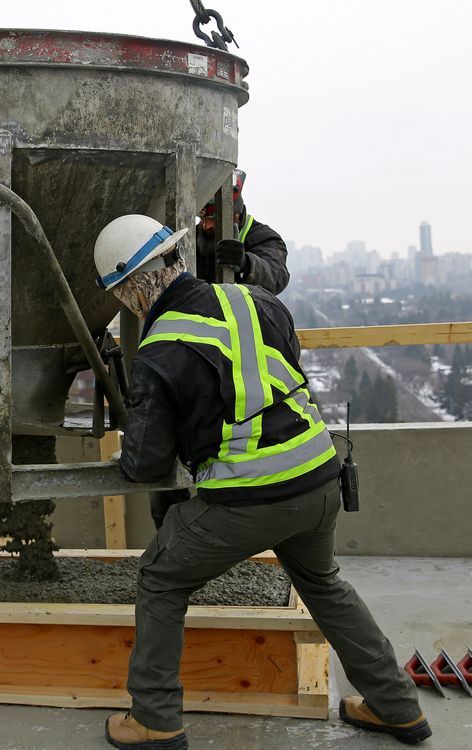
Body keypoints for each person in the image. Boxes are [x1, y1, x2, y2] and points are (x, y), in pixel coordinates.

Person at [93, 214, 430, 750]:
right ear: (175, 258)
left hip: (248, 501)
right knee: (323, 584)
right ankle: (398, 709)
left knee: (160, 579)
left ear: (132, 287)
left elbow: (143, 465)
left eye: (121, 294)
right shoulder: (258, 301)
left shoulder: (160, 352)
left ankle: (154, 719)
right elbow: (273, 385)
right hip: (319, 480)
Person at [150, 170, 291, 530]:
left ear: (236, 212)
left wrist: (246, 264)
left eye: (214, 219)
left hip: (245, 364)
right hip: (197, 361)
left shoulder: (262, 237)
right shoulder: (192, 238)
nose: (208, 227)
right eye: (204, 219)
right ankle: (174, 537)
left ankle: (234, 530)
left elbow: (276, 275)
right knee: (176, 453)